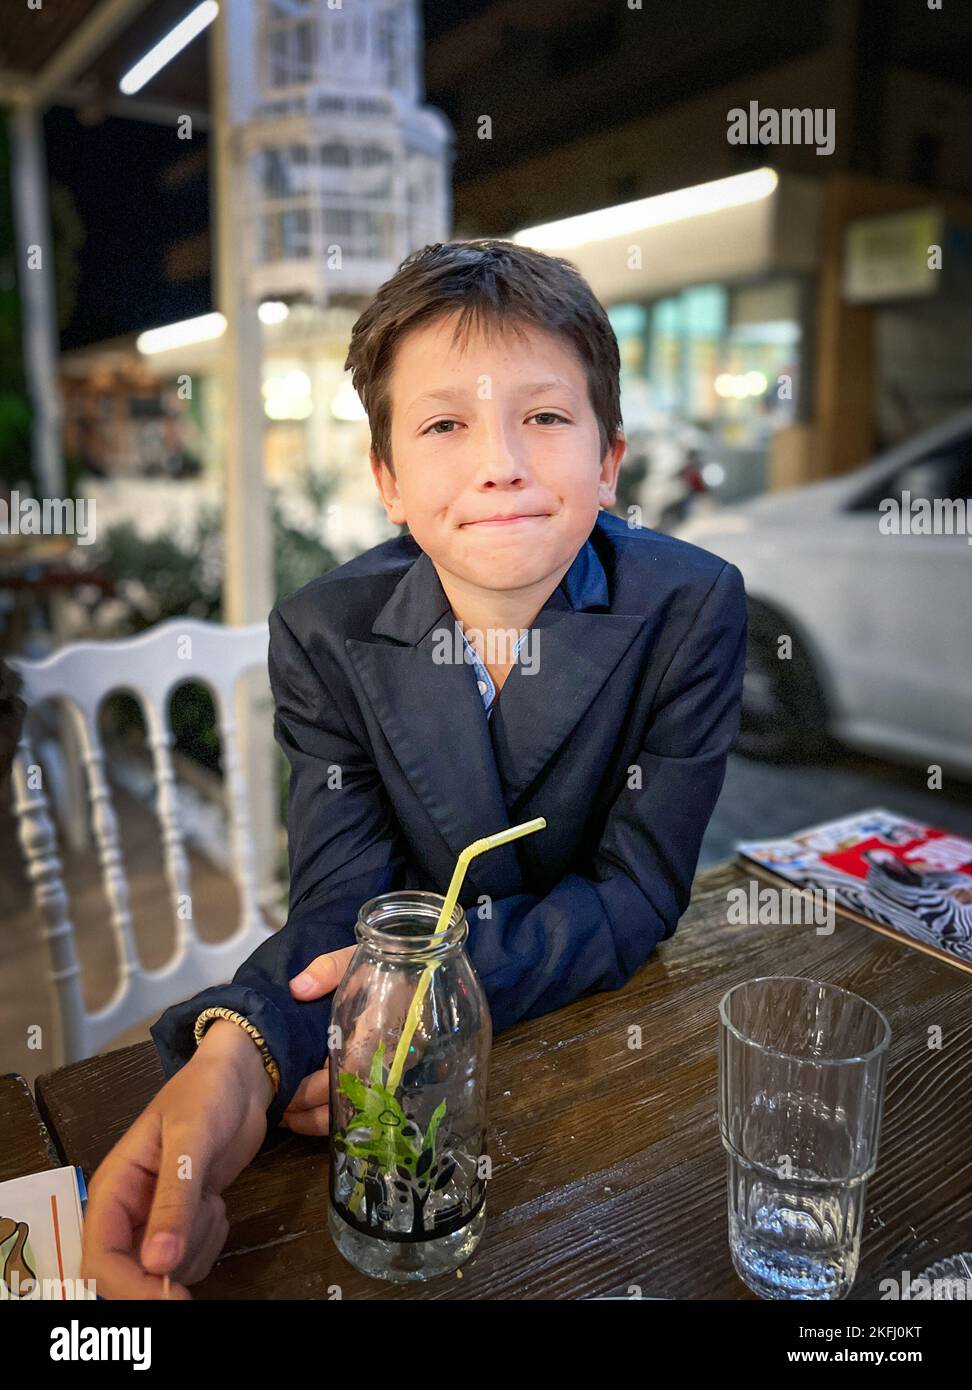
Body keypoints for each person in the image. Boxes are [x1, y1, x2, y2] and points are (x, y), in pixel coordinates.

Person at [81, 239, 747, 1298]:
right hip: (415, 1096)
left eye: (545, 416)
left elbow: (636, 893)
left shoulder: (690, 608)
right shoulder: (325, 633)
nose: (502, 464)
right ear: (387, 479)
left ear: (609, 460)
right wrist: (243, 1045)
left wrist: (402, 1001)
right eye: (445, 426)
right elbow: (340, 901)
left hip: (601, 1053)